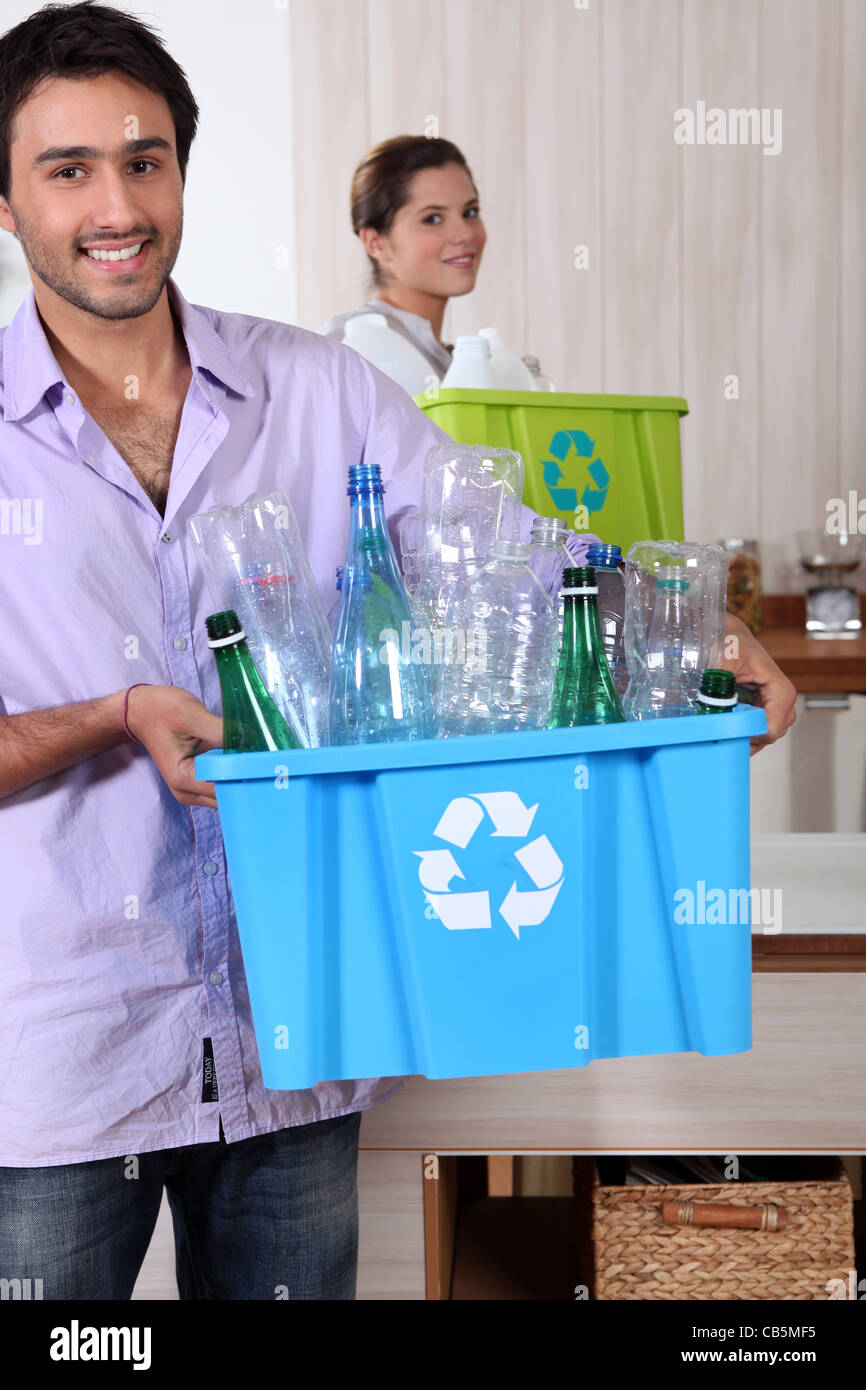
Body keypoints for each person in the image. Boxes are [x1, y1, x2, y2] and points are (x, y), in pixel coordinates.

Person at [0, 3, 795, 1305]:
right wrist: (115, 712)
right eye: (68, 167)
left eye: (144, 159)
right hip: (53, 1052)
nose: (117, 203)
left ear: (180, 174)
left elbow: (513, 550)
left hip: (302, 1013)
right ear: (5, 200)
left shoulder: (318, 391)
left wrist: (689, 622)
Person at [320, 134, 484, 377]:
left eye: (470, 212)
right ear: (376, 243)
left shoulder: (453, 360)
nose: (465, 234)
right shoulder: (353, 344)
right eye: (433, 218)